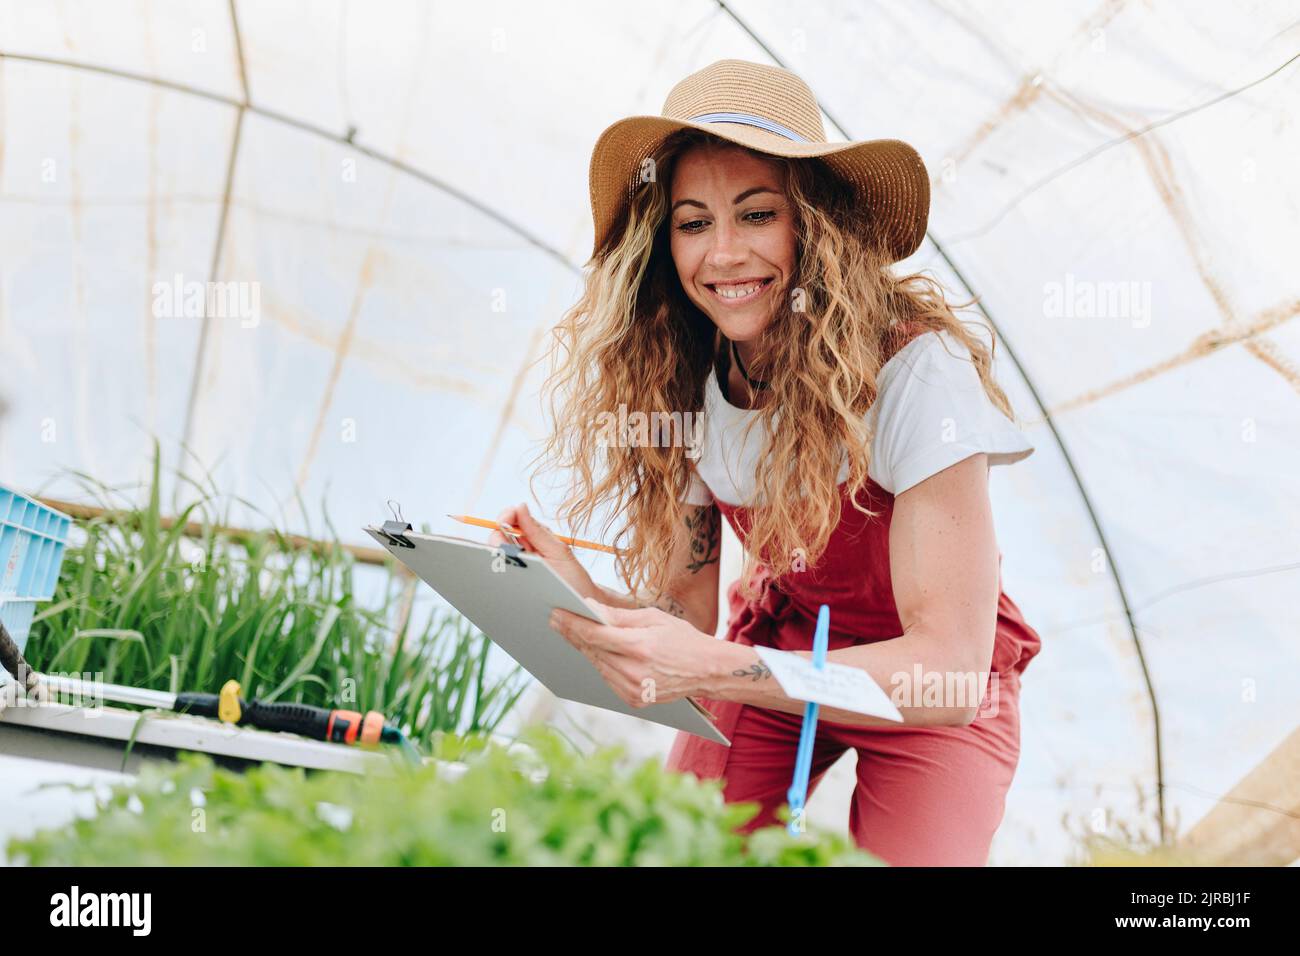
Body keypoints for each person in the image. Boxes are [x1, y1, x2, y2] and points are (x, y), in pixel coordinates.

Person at [489, 59, 1042, 866]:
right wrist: (580, 596)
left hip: (924, 690)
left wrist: (727, 666)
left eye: (756, 214)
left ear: (810, 223)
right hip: (778, 649)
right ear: (660, 241)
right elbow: (686, 620)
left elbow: (950, 673)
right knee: (684, 852)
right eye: (691, 222)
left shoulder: (917, 376)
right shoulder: (684, 378)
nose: (723, 255)